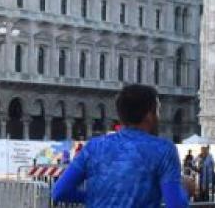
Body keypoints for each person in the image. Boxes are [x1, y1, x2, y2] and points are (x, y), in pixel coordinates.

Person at [51, 84, 188, 208]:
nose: (159, 116)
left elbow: (59, 191)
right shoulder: (164, 150)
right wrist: (186, 189)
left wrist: (93, 197)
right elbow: (175, 204)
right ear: (148, 114)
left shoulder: (94, 147)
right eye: (157, 110)